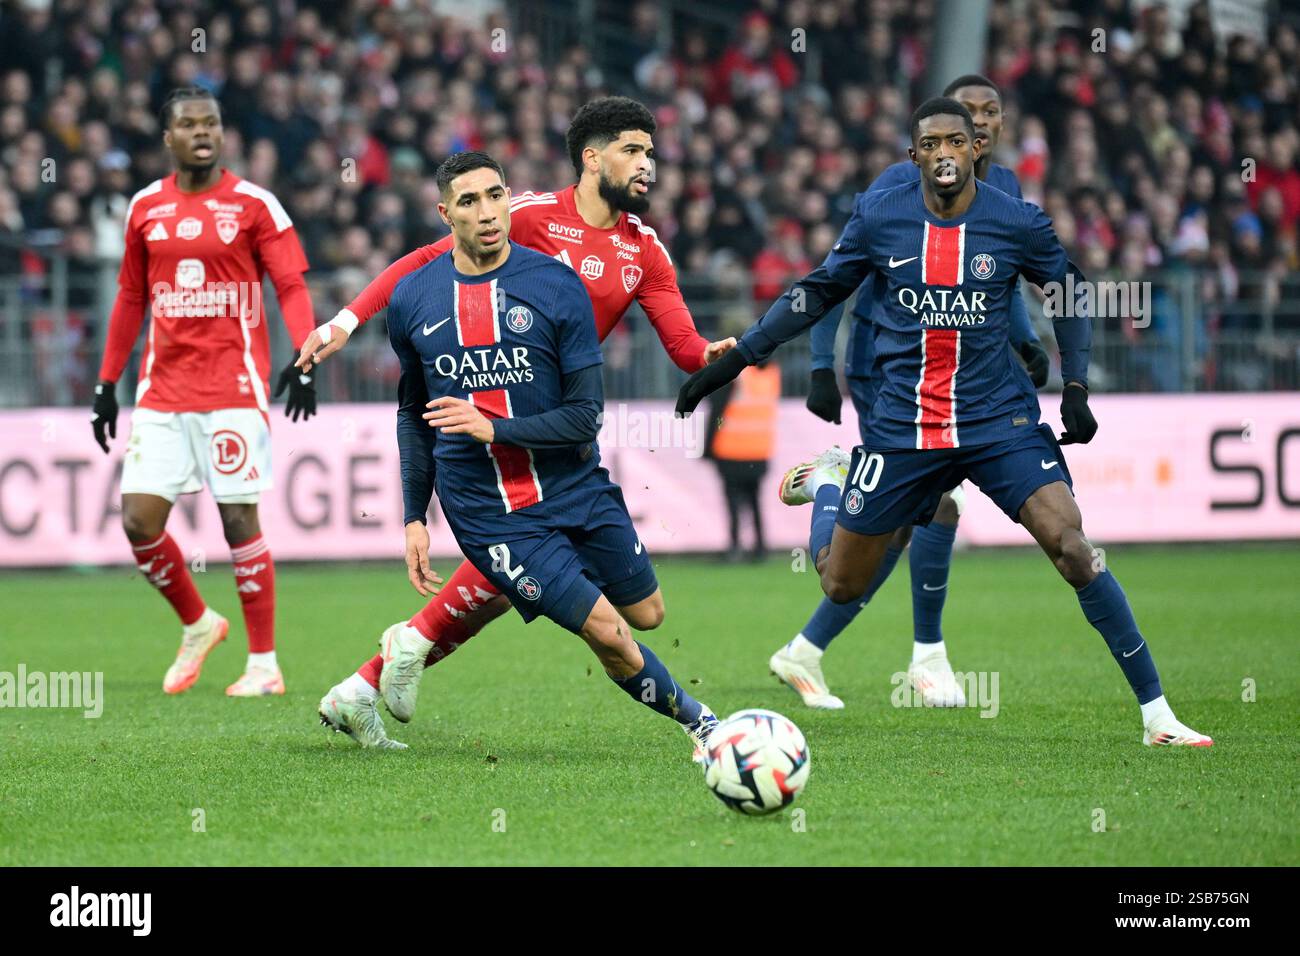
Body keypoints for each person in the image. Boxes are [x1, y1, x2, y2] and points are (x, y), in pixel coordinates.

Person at [676, 98, 1212, 747]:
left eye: (956, 141)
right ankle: (829, 481)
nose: (944, 154)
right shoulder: (880, 217)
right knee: (841, 581)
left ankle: (1157, 715)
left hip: (998, 419)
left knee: (1072, 546)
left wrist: (1075, 382)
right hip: (904, 429)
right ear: (915, 158)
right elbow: (817, 292)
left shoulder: (1015, 220)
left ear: (975, 149)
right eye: (930, 145)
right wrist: (739, 359)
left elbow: (1068, 290)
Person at [306, 98, 734, 745]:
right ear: (592, 159)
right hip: (491, 472)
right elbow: (420, 265)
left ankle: (377, 672)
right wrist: (344, 321)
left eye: (651, 152)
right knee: (555, 595)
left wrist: (715, 356)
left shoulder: (642, 250)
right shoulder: (529, 217)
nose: (649, 165)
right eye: (633, 151)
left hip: (561, 443)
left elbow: (681, 341)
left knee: (643, 612)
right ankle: (706, 728)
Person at [778, 75, 1052, 710]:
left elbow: (995, 285)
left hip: (955, 375)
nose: (978, 124)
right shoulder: (894, 189)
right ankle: (927, 658)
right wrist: (822, 365)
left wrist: (1027, 341)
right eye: (965, 115)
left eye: (989, 113)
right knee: (938, 506)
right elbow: (831, 278)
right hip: (890, 368)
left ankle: (807, 651)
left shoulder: (1002, 193)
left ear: (1001, 127)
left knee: (904, 522)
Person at [90, 87, 318, 697]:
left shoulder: (254, 204)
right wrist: (106, 381)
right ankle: (198, 623)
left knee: (237, 516)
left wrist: (304, 353)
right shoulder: (144, 207)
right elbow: (131, 299)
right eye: (188, 124)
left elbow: (290, 285)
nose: (202, 133)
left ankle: (264, 663)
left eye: (211, 123)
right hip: (162, 390)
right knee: (138, 520)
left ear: (223, 133)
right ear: (168, 138)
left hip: (233, 388)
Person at [706, 360, 779, 561]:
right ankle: (761, 547)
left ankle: (735, 547)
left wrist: (707, 448)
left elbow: (717, 412)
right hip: (760, 450)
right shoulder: (772, 374)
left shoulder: (736, 375)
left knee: (733, 502)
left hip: (732, 449)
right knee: (755, 500)